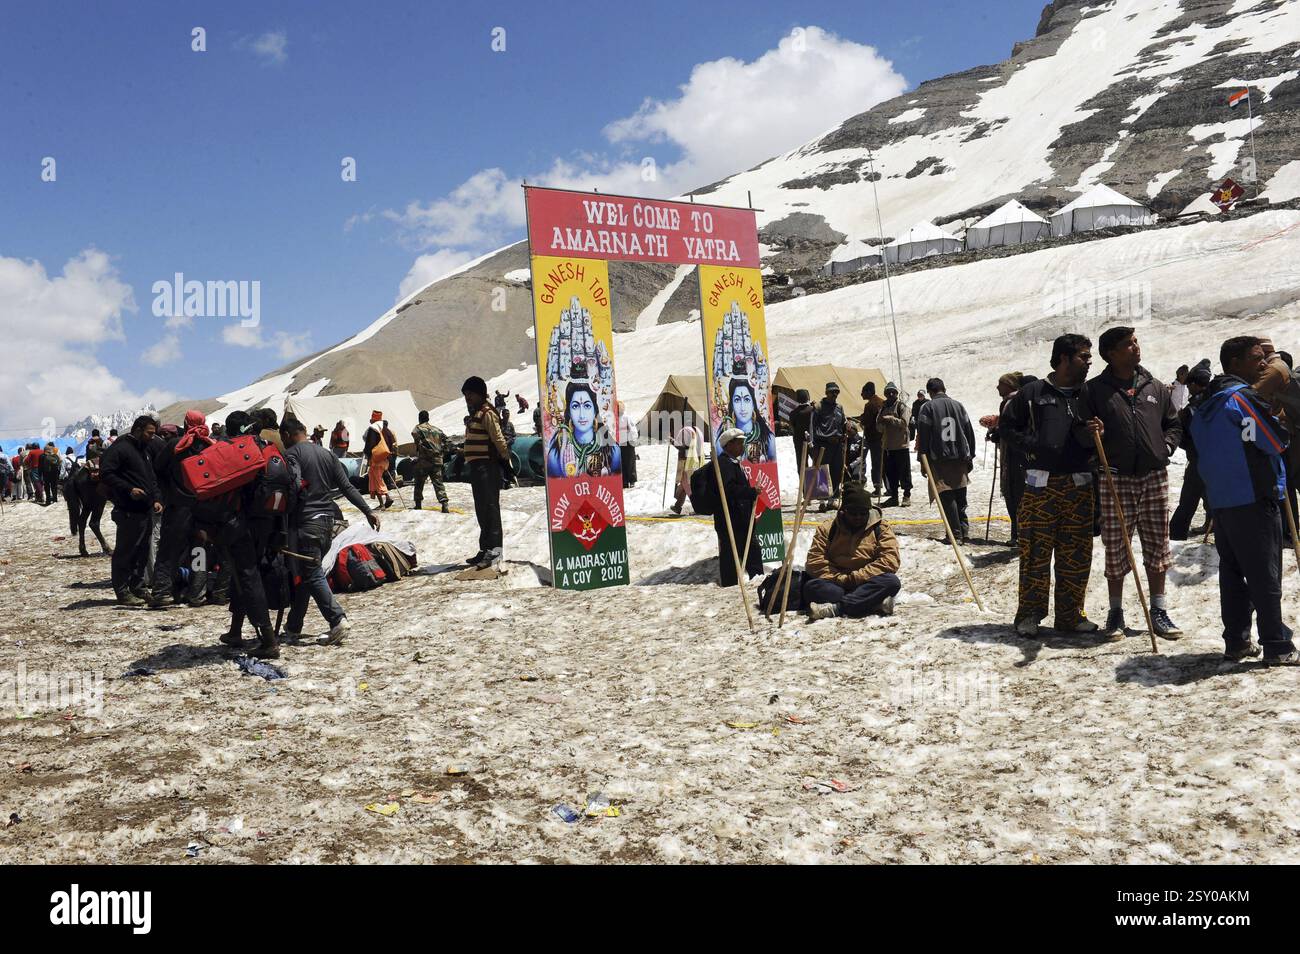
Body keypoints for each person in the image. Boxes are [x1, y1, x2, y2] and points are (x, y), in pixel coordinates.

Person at [1191, 336, 1296, 664]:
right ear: (1235, 364)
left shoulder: (1205, 403)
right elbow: (1270, 441)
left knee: (1233, 573)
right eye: (1256, 359)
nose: (1264, 364)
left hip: (1222, 499)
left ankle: (1237, 641)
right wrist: (1280, 429)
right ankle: (1277, 645)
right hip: (1254, 496)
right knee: (1265, 574)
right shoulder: (1242, 399)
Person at [1081, 326, 1182, 639]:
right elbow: (1079, 431)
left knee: (1157, 544)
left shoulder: (1155, 386)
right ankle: (1115, 611)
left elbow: (1174, 423)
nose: (1135, 348)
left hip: (1154, 475)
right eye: (1128, 344)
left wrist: (1165, 447)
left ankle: (1159, 610)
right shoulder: (1095, 389)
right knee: (1116, 546)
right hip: (1115, 477)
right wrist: (1090, 431)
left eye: (1135, 342)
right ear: (1110, 353)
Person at [999, 335, 1099, 637]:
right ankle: (1029, 615)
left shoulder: (1090, 394)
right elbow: (1007, 427)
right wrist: (1033, 446)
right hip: (1040, 487)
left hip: (1080, 485)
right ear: (1064, 358)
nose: (1089, 362)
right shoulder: (1032, 392)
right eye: (1083, 356)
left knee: (1077, 554)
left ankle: (1071, 615)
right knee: (1035, 554)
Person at [282, 418, 380, 645]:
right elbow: (347, 486)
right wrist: (367, 511)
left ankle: (337, 620)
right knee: (308, 573)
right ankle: (294, 625)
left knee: (311, 572)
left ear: (287, 435)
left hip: (307, 522)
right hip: (328, 522)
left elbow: (295, 485)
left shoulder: (292, 455)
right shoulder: (327, 454)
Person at [804, 483, 901, 620]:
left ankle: (836, 608)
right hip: (836, 583)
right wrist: (840, 578)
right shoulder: (827, 529)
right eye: (853, 514)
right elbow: (815, 561)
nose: (858, 518)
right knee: (811, 587)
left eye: (863, 514)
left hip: (867, 581)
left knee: (892, 582)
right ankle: (873, 603)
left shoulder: (881, 528)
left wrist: (857, 578)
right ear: (844, 511)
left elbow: (889, 560)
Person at [148, 409, 212, 608]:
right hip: (204, 508)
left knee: (169, 550)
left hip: (178, 506)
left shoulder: (175, 445)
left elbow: (158, 468)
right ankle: (197, 592)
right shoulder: (211, 446)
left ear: (186, 423)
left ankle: (162, 592)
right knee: (199, 550)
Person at [99, 415, 162, 606]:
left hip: (145, 509)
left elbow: (151, 478)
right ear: (138, 430)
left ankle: (138, 586)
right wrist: (128, 489)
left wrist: (157, 498)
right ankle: (122, 591)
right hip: (128, 509)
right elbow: (106, 473)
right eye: (150, 433)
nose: (152, 437)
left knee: (142, 551)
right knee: (126, 552)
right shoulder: (120, 448)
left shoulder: (144, 450)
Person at [915, 378, 975, 543]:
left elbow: (924, 435)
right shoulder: (958, 405)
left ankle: (955, 534)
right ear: (944, 388)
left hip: (940, 458)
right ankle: (964, 530)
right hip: (960, 456)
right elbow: (968, 430)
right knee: (960, 494)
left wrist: (923, 459)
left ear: (930, 392)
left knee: (946, 495)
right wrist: (971, 455)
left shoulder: (927, 407)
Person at [462, 376, 511, 569]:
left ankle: (495, 550)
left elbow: (498, 438)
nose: (468, 398)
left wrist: (506, 461)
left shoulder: (487, 413)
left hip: (487, 466)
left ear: (480, 394)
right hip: (476, 467)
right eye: (465, 395)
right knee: (481, 508)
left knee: (490, 506)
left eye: (470, 394)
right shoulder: (476, 413)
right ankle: (485, 548)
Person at [1168, 365, 1213, 540]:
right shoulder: (1217, 401)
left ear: (1194, 384)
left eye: (1189, 385)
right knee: (1210, 493)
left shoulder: (1191, 410)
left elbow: (1183, 438)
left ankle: (1176, 533)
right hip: (1217, 458)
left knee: (1188, 498)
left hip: (1198, 459)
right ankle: (1212, 523)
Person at [546, 372, 620, 477]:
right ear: (569, 412)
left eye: (587, 406)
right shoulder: (557, 454)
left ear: (595, 410)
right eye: (575, 406)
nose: (582, 415)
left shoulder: (611, 450)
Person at [713, 428, 762, 586]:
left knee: (750, 553)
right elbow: (728, 490)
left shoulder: (733, 463)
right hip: (732, 522)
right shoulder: (724, 464)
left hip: (741, 521)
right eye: (739, 443)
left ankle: (757, 581)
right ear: (728, 445)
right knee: (731, 556)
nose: (742, 447)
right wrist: (750, 492)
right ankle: (732, 585)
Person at [720, 373, 777, 463]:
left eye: (747, 399)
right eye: (737, 400)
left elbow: (772, 467)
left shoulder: (768, 439)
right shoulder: (725, 441)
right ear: (732, 404)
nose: (742, 407)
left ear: (753, 403)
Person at [811, 382, 847, 511]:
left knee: (836, 471)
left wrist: (845, 429)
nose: (834, 394)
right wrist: (814, 445)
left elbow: (843, 423)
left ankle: (834, 499)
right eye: (832, 392)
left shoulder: (839, 407)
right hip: (823, 444)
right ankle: (822, 500)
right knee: (822, 472)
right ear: (826, 392)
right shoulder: (819, 407)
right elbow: (813, 427)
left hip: (837, 445)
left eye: (837, 392)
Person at [876, 382, 912, 507]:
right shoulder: (883, 407)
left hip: (901, 445)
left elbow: (904, 423)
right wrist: (881, 422)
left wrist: (890, 419)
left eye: (893, 392)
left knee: (904, 472)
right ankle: (894, 497)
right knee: (891, 473)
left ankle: (907, 495)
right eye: (888, 392)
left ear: (896, 394)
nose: (891, 394)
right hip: (888, 446)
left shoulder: (901, 406)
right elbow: (879, 428)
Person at [411, 410, 450, 512]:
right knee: (438, 483)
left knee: (419, 482)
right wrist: (441, 452)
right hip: (437, 461)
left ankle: (418, 504)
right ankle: (444, 503)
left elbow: (417, 441)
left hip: (424, 461)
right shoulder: (437, 430)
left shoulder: (418, 429)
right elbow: (447, 442)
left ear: (420, 418)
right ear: (428, 418)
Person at [362, 411, 394, 509]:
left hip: (376, 459)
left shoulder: (373, 429)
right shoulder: (386, 429)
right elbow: (391, 441)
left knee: (377, 479)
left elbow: (370, 444)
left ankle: (387, 497)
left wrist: (367, 454)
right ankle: (381, 504)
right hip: (385, 458)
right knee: (373, 479)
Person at [670, 424, 703, 515]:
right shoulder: (698, 430)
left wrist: (672, 441)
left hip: (687, 461)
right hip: (696, 459)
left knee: (687, 485)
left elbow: (683, 446)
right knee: (685, 484)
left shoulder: (685, 431)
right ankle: (678, 506)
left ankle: (698, 508)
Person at [859, 381, 885, 495]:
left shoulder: (870, 405)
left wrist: (862, 419)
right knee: (882, 462)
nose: (862, 394)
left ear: (869, 392)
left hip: (873, 438)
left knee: (875, 463)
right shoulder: (882, 402)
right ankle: (887, 487)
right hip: (882, 437)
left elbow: (867, 422)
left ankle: (877, 487)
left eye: (863, 392)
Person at [788, 389, 814, 474]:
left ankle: (803, 486)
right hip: (813, 440)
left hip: (799, 442)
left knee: (801, 464)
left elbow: (792, 428)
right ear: (808, 397)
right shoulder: (813, 410)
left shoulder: (793, 413)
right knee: (817, 462)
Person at [618, 401, 638, 488]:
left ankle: (632, 480)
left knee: (630, 462)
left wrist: (632, 439)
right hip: (619, 444)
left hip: (628, 443)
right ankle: (624, 481)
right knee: (622, 463)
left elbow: (633, 429)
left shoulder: (626, 417)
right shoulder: (614, 418)